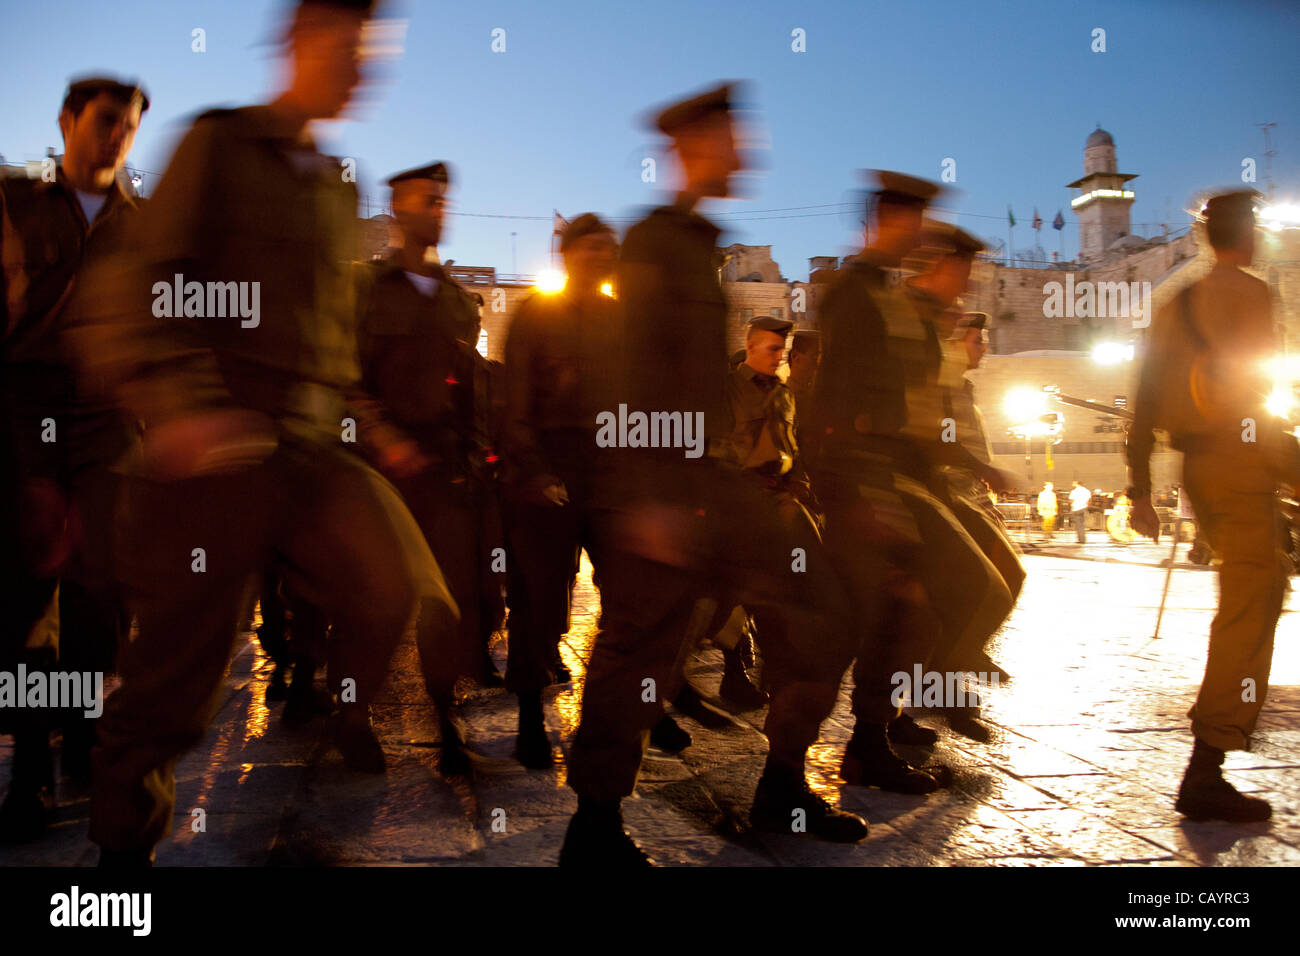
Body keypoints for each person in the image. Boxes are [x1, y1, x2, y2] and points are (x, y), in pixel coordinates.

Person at [71, 0, 457, 865]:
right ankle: (116, 865)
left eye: (373, 52)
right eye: (351, 48)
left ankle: (340, 704)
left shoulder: (333, 184)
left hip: (310, 448)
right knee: (175, 684)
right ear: (299, 43)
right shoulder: (219, 144)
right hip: (216, 442)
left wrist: (375, 427)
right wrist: (176, 404)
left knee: (396, 579)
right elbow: (137, 282)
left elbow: (334, 339)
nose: (365, 68)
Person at [559, 83, 866, 867]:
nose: (746, 152)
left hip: (712, 483)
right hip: (663, 488)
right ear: (693, 147)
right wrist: (642, 498)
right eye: (733, 138)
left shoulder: (698, 243)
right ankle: (593, 830)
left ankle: (783, 783)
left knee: (823, 614)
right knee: (637, 650)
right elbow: (622, 373)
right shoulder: (657, 243)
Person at [814, 172, 1014, 790]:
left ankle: (879, 729)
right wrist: (859, 487)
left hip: (900, 475)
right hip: (866, 478)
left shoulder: (889, 296)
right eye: (911, 222)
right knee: (903, 606)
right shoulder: (854, 292)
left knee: (912, 608)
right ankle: (871, 731)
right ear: (885, 222)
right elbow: (837, 397)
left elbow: (914, 405)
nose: (917, 235)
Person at [0, 75, 149, 842]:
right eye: (103, 121)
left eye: (127, 126)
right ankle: (28, 765)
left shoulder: (145, 228)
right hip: (27, 413)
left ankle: (85, 736)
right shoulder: (15, 205)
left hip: (109, 422)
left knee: (99, 599)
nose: (115, 136)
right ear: (65, 120)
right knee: (27, 602)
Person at [1128, 188, 1294, 822]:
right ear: (1248, 235)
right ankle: (1205, 769)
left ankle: (1210, 761)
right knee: (1252, 600)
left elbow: (1144, 394)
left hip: (1201, 463)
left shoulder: (1174, 300)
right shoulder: (1252, 293)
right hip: (1242, 453)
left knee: (1252, 593)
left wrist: (1140, 486)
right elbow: (1256, 389)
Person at [348, 160, 499, 775]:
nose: (437, 210)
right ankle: (351, 715)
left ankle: (443, 712)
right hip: (378, 470)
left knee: (450, 599)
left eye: (442, 200)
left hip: (443, 471)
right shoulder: (365, 291)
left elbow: (472, 389)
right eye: (424, 200)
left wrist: (476, 456)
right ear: (397, 210)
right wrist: (378, 435)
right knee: (374, 599)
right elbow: (344, 378)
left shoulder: (459, 303)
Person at [499, 213, 621, 769]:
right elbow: (515, 405)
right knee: (539, 601)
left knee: (630, 599)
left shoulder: (620, 320)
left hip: (610, 474)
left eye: (609, 249)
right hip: (547, 471)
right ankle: (529, 713)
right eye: (591, 247)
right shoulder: (535, 315)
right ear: (567, 254)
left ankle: (623, 716)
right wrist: (537, 471)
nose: (602, 257)